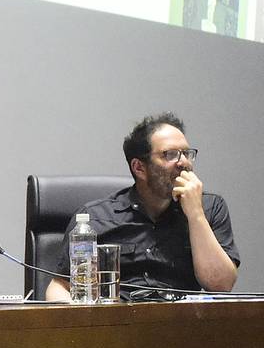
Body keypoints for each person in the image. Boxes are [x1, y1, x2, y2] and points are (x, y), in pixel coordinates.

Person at [45, 112, 238, 301]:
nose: (184, 163)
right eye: (171, 155)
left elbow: (221, 284)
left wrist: (196, 215)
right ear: (139, 168)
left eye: (187, 153)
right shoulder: (95, 218)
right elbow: (60, 287)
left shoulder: (210, 208)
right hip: (117, 324)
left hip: (183, 325)